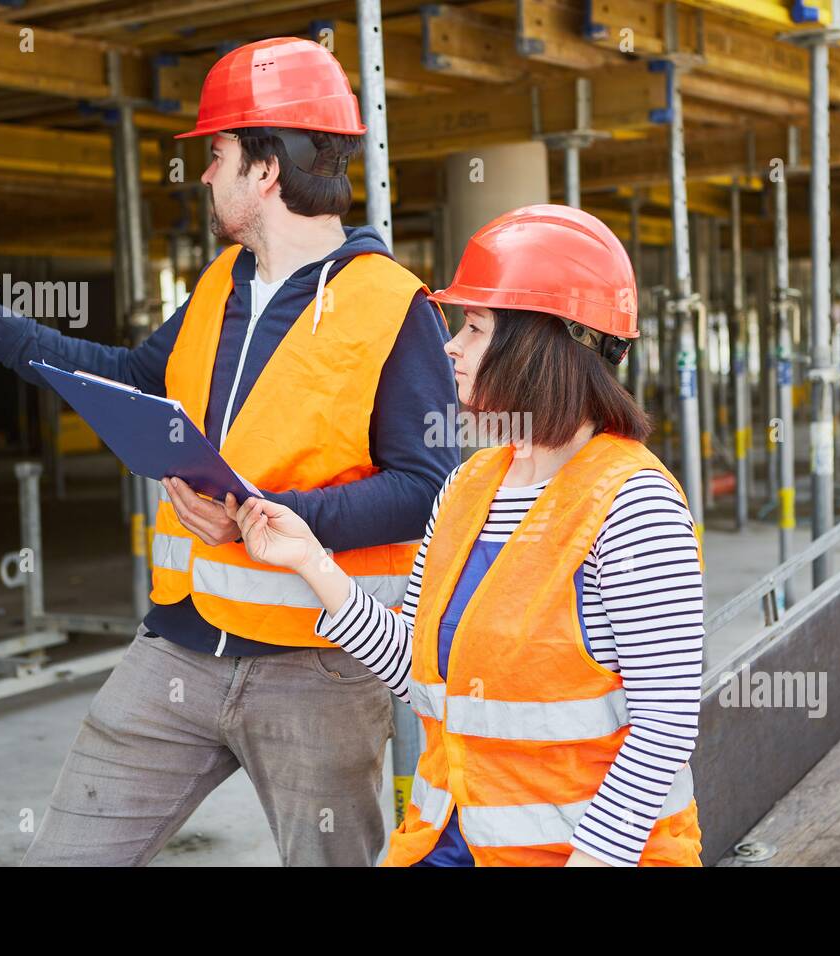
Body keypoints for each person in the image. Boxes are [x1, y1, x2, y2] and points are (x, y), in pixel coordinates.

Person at [0, 37, 458, 866]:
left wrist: (271, 520)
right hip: (178, 649)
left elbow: (430, 487)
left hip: (318, 671)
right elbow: (132, 378)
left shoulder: (393, 306)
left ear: (267, 169)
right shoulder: (219, 284)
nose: (203, 174)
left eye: (218, 153)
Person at [229, 204, 705, 866]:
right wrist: (314, 563)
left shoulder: (634, 505)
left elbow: (665, 726)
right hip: (443, 845)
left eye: (475, 327)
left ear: (538, 346)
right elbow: (420, 680)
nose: (449, 345)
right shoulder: (468, 486)